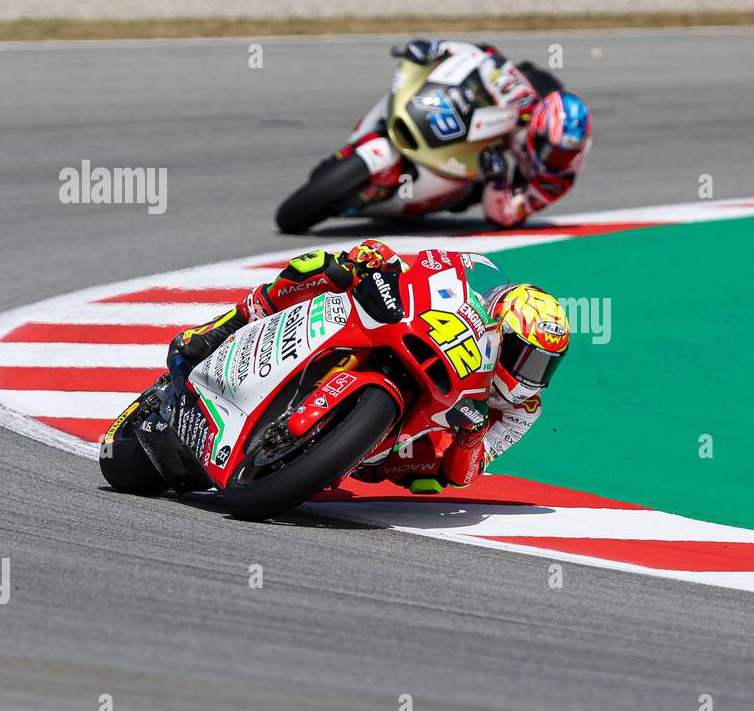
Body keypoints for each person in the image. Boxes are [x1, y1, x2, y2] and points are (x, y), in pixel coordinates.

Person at [165, 240, 569, 493]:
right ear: (500, 328)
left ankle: (333, 452)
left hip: (415, 434)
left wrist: (470, 440)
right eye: (527, 357)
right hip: (414, 350)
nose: (531, 375)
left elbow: (466, 475)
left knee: (427, 476)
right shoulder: (471, 315)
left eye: (545, 366)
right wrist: (378, 261)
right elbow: (421, 276)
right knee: (327, 266)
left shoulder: (523, 411)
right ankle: (227, 326)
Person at [349, 39, 591, 226]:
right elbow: (486, 55)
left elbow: (509, 216)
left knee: (466, 193)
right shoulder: (537, 86)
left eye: (562, 156)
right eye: (550, 151)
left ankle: (417, 202)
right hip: (480, 118)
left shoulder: (559, 179)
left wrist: (497, 182)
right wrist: (439, 48)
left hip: (482, 165)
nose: (554, 160)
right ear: (537, 129)